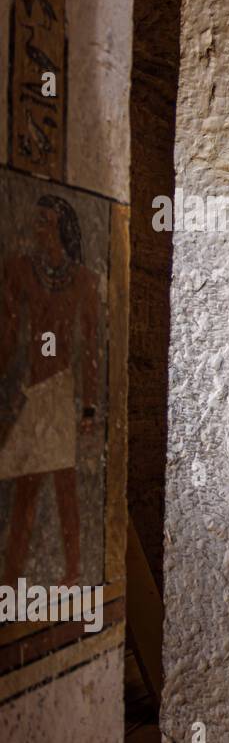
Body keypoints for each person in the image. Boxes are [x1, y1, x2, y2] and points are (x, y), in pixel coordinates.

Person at [1, 195, 98, 586]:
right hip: (33, 391)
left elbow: (91, 345)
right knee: (28, 487)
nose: (36, 228)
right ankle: (11, 579)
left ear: (60, 228)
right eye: (36, 221)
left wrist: (89, 406)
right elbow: (8, 335)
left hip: (58, 391)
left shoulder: (83, 281)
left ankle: (71, 572)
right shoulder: (21, 270)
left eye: (44, 222)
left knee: (62, 486)